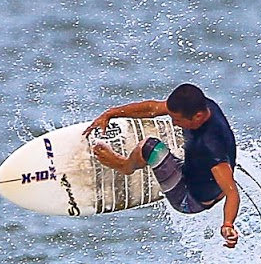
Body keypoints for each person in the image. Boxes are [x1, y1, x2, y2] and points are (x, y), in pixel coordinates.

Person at [88, 83, 241, 248]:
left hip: (190, 199)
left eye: (177, 120)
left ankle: (124, 166)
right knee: (174, 138)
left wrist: (227, 225)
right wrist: (111, 114)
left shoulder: (212, 150)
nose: (174, 123)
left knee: (149, 147)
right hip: (199, 174)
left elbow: (232, 194)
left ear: (197, 116)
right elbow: (152, 109)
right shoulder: (203, 106)